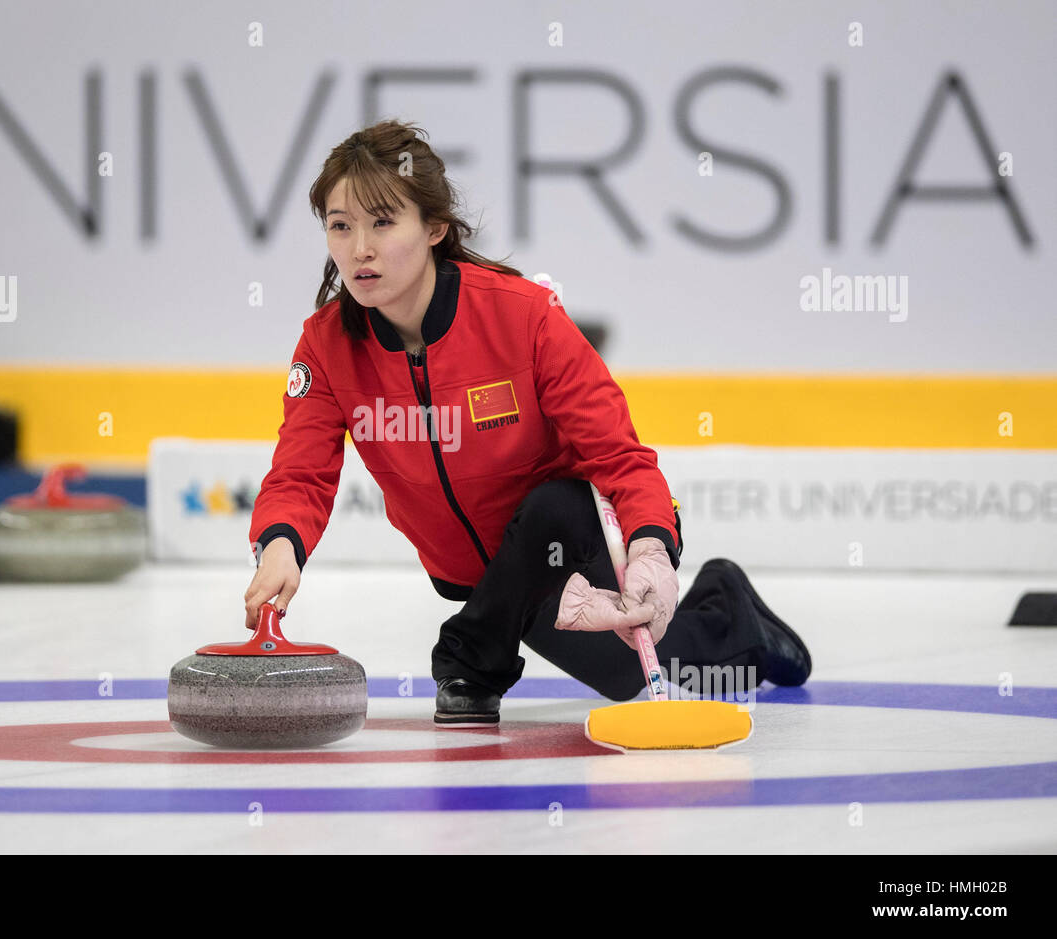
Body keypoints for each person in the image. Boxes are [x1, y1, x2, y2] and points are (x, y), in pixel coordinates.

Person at [244, 119, 811, 726]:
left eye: (383, 222)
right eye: (340, 225)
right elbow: (301, 471)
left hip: (571, 539)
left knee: (554, 512)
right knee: (631, 677)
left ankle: (469, 660)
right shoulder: (326, 345)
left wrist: (652, 544)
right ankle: (729, 606)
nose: (360, 248)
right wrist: (279, 544)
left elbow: (619, 455)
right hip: (481, 576)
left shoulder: (525, 318)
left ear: (434, 228)